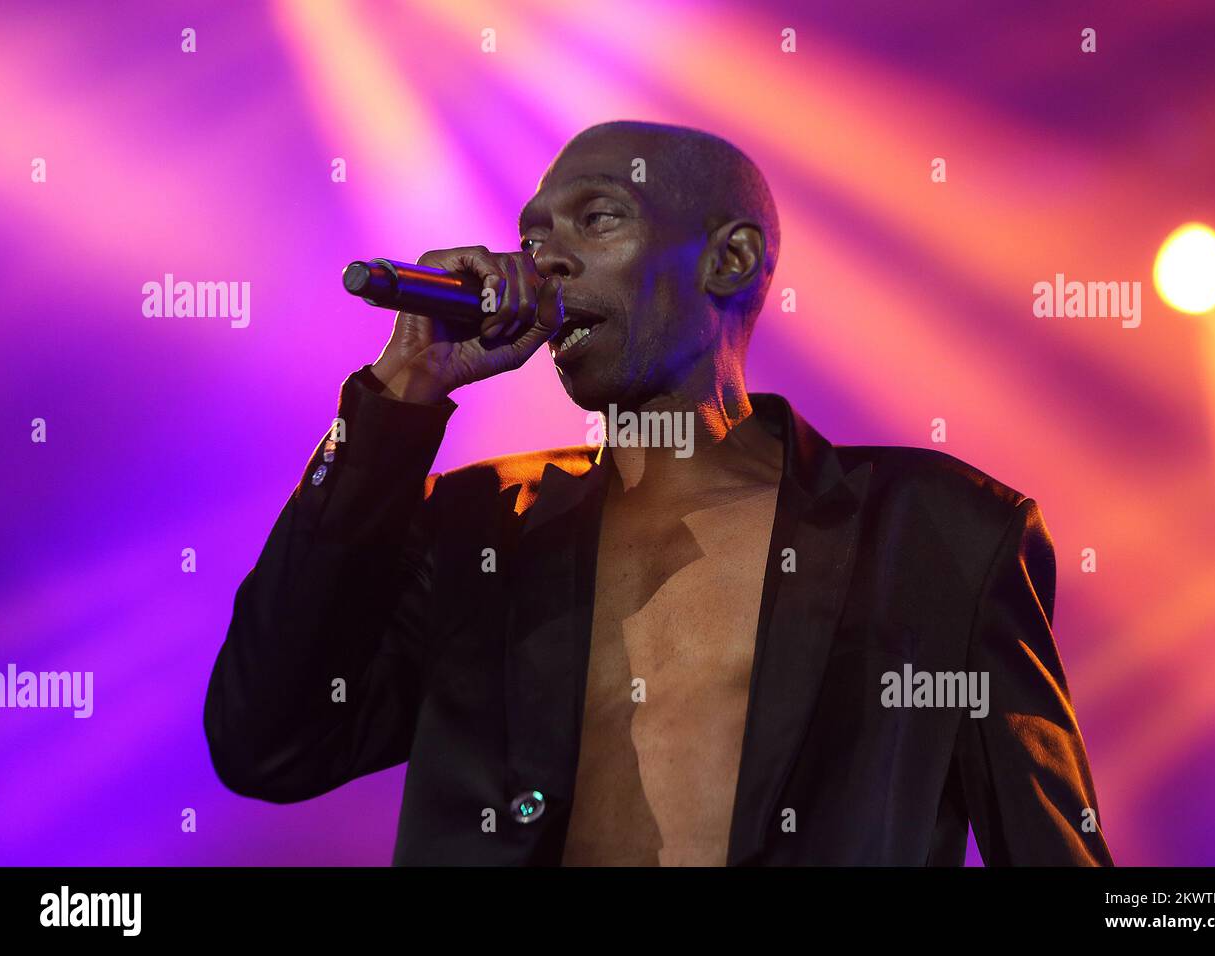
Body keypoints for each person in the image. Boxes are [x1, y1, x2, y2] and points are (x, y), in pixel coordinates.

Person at [204, 120, 1112, 866]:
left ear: (730, 260)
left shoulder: (934, 532)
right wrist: (396, 400)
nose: (544, 258)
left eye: (595, 218)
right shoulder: (480, 528)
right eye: (532, 236)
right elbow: (268, 744)